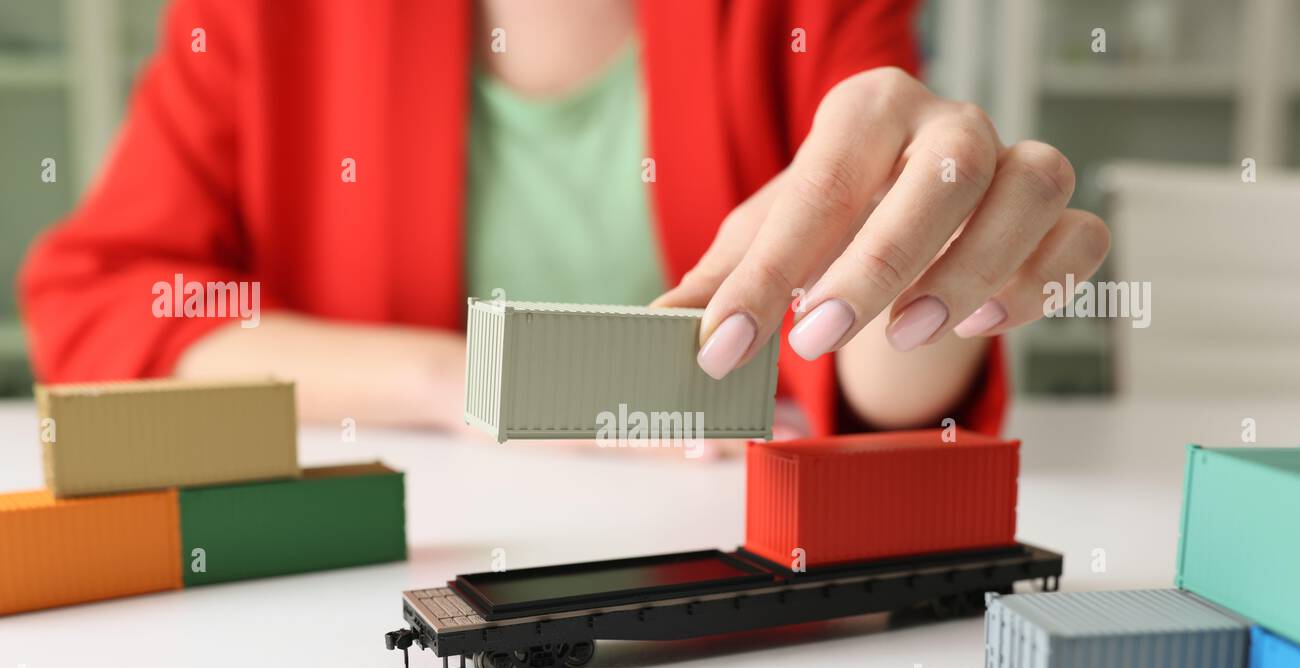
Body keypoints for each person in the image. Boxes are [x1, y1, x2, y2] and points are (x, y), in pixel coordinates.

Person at [19, 0, 1108, 440]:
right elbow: (108, 311)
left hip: (745, 611)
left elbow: (877, 400)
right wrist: (469, 383)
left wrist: (927, 275)